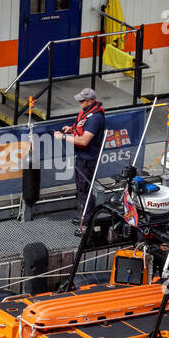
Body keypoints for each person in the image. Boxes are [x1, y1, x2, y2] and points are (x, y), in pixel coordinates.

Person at [55, 88, 105, 234]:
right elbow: (81, 129)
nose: (79, 103)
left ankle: (88, 221)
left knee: (84, 190)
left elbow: (84, 141)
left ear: (90, 101)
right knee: (81, 189)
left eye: (82, 101)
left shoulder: (95, 118)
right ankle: (87, 215)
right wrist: (71, 130)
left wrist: (63, 137)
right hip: (83, 157)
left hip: (88, 158)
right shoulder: (87, 113)